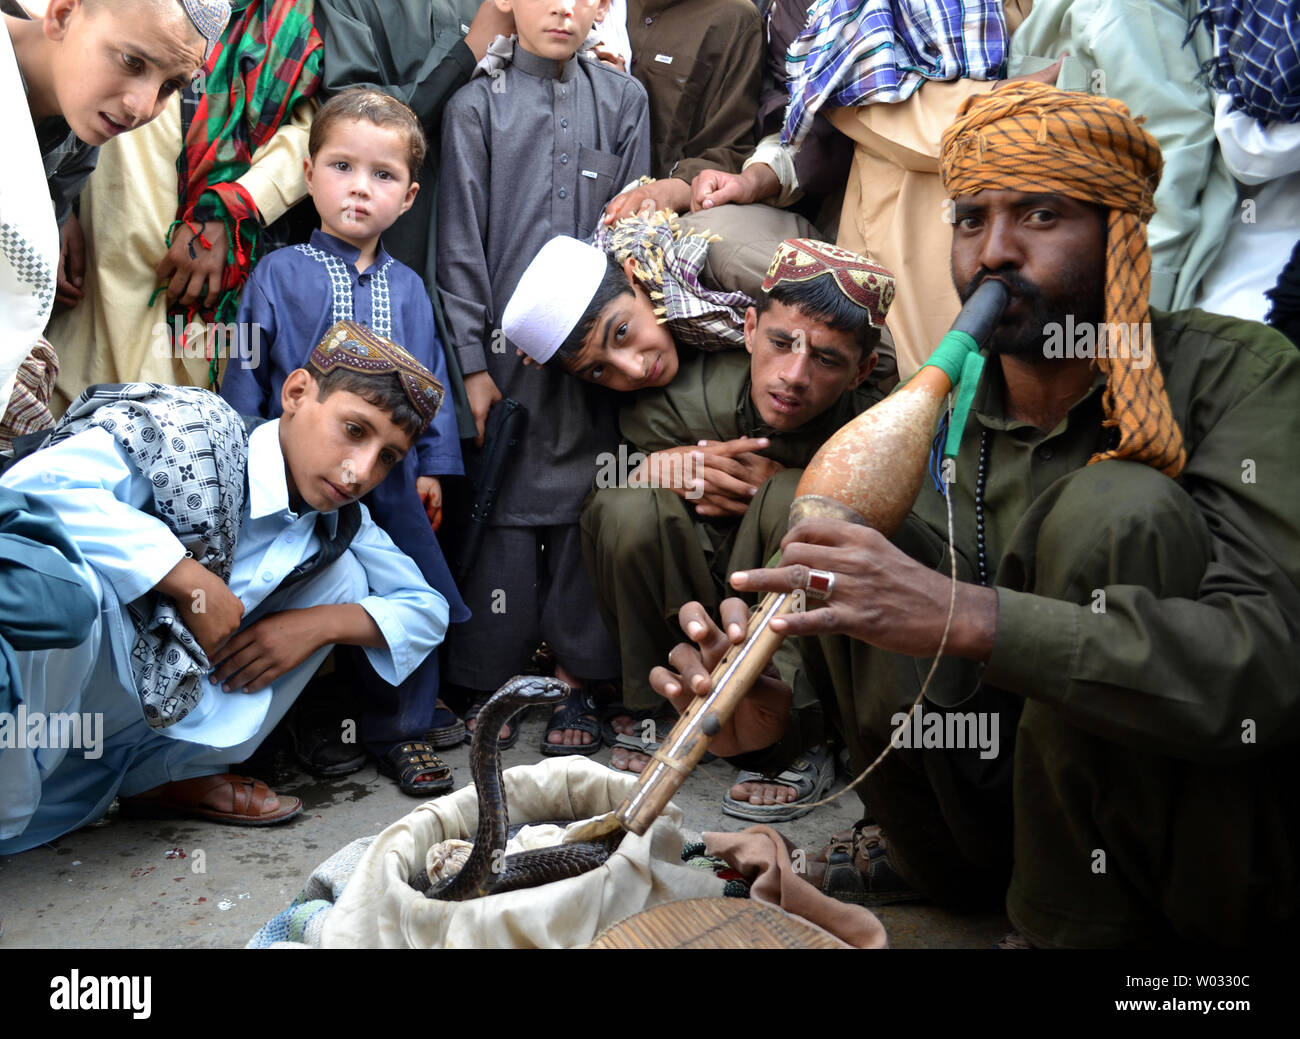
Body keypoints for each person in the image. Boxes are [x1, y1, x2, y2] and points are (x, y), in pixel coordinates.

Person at [651, 82, 1300, 948]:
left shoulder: (1240, 375)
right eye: (970, 219)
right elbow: (854, 653)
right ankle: (944, 872)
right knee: (848, 530)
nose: (993, 252)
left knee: (1118, 508)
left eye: (1039, 215)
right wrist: (767, 715)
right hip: (966, 842)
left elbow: (1266, 665)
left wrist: (968, 617)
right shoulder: (926, 423)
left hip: (1174, 869)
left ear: (1121, 233)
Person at [0, 321, 451, 852]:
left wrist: (313, 626)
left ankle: (168, 772)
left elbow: (428, 609)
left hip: (145, 716)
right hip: (54, 699)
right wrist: (183, 574)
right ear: (298, 392)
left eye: (387, 457)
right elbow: (34, 485)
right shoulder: (190, 430)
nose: (359, 472)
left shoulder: (343, 521)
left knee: (347, 579)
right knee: (69, 579)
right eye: (355, 431)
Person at [574, 239, 894, 813]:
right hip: (704, 592)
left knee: (801, 506)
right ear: (749, 330)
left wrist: (796, 487)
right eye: (779, 344)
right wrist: (650, 469)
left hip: (793, 622)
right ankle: (660, 709)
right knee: (625, 505)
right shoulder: (673, 401)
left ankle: (801, 741)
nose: (793, 376)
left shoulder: (876, 433)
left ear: (861, 371)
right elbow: (602, 513)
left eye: (825, 359)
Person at [219, 88, 468, 792]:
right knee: (285, 588)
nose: (361, 187)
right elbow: (248, 367)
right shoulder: (279, 272)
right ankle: (272, 731)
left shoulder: (412, 288)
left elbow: (434, 383)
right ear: (308, 173)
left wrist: (432, 467)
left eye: (383, 175)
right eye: (342, 167)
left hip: (392, 479)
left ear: (410, 196)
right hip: (300, 479)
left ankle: (402, 727)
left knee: (410, 587)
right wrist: (244, 449)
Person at [436, 0, 649, 751]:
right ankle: (487, 681)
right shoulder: (474, 108)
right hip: (499, 359)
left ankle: (580, 680)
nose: (562, 8)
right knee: (501, 501)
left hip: (594, 354)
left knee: (582, 505)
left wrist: (609, 338)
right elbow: (459, 246)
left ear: (602, 8)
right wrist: (471, 367)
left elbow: (631, 237)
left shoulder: (624, 100)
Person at [45, 0, 322, 407]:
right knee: (79, 376)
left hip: (223, 237)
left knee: (177, 400)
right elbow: (58, 52)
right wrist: (56, 206)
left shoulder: (289, 16)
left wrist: (230, 209)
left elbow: (314, 130)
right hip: (101, 214)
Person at [1, 0, 219, 446]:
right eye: (132, 62)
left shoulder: (78, 132)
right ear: (63, 15)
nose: (141, 106)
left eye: (170, 86)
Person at [600, 0, 763, 222]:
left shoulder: (733, 18)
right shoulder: (587, 7)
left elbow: (727, 145)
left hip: (659, 221)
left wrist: (673, 190)